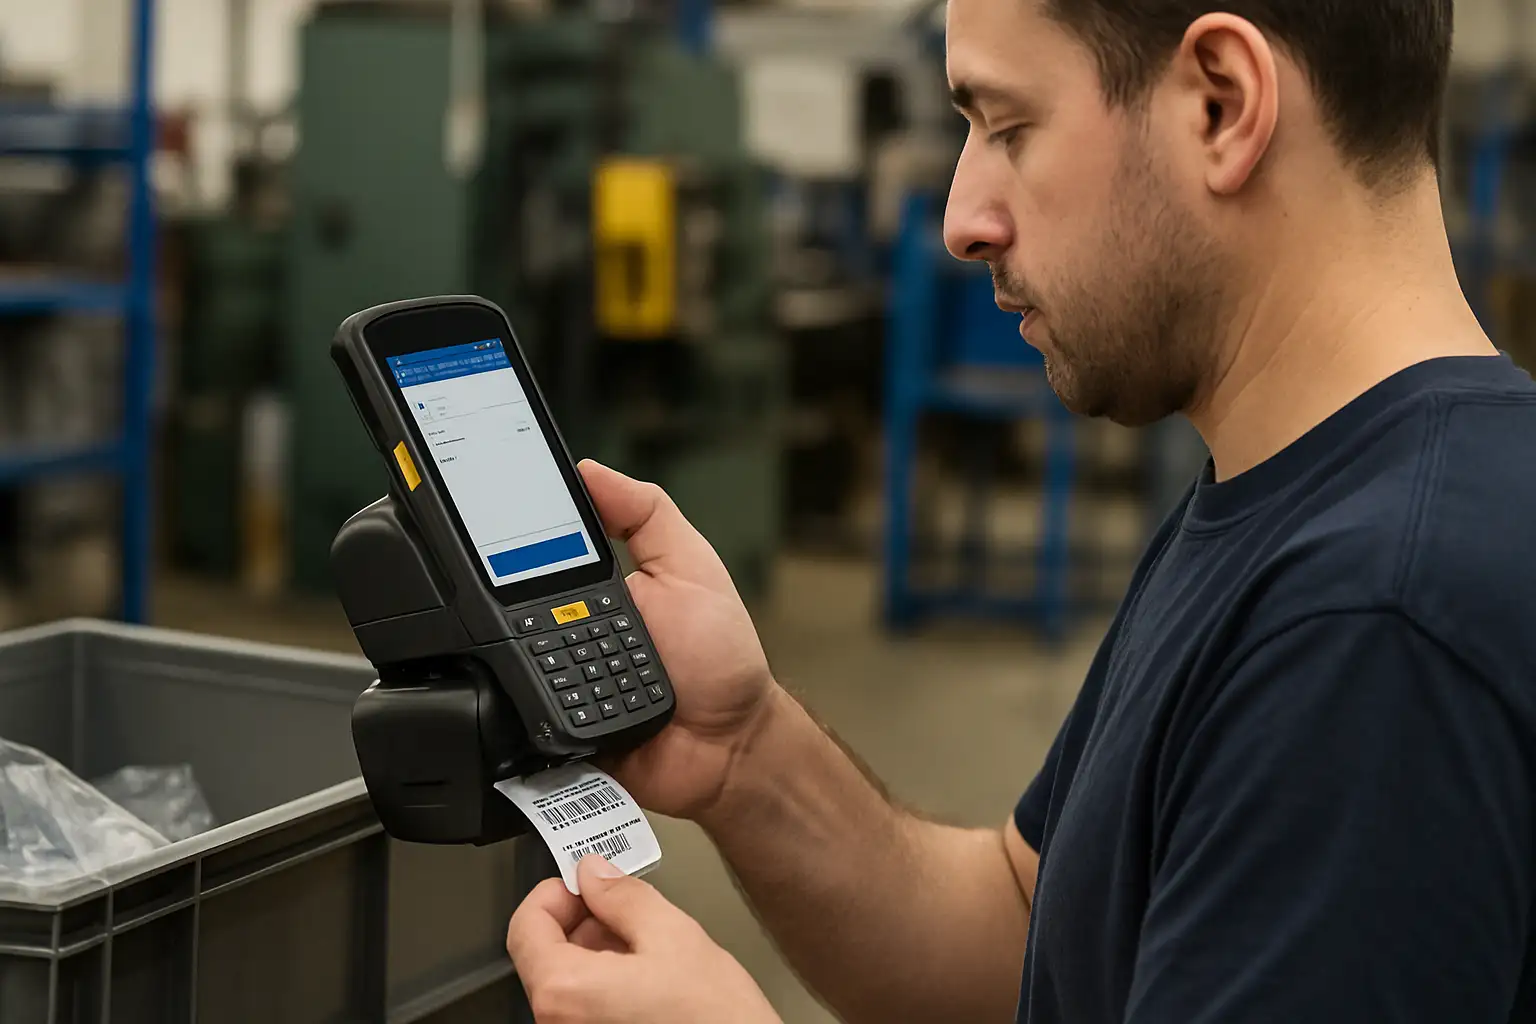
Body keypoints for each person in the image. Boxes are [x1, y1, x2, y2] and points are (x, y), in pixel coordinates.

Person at [506, 0, 1536, 1020]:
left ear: (1221, 105)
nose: (962, 220)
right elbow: (1025, 938)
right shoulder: (1301, 500)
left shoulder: (1376, 624)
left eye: (1008, 127)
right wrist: (745, 751)